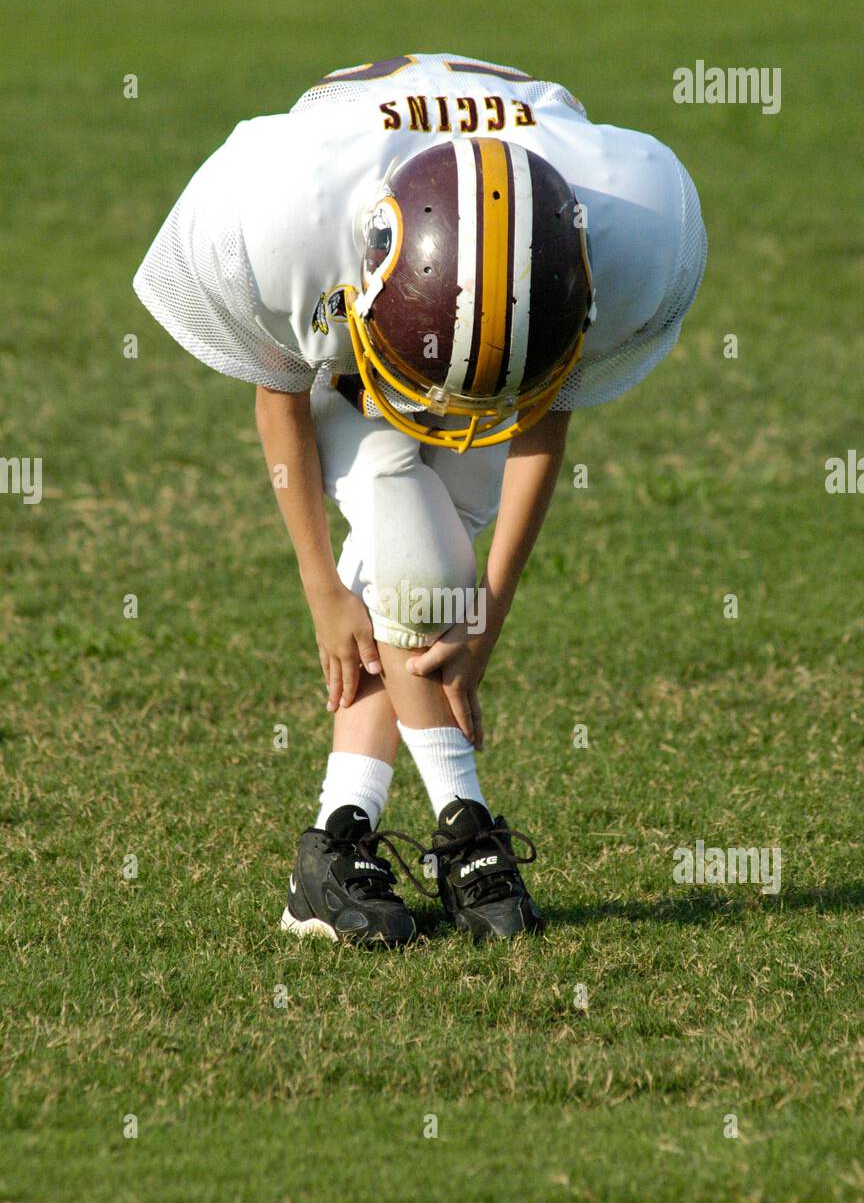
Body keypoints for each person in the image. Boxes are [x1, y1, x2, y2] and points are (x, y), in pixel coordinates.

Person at [133, 53, 706, 946]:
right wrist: (322, 586)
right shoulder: (284, 215)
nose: (451, 422)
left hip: (477, 280)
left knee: (432, 589)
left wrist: (495, 606)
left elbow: (547, 412)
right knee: (422, 566)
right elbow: (279, 392)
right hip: (371, 306)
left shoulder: (628, 234)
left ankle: (333, 849)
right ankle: (467, 830)